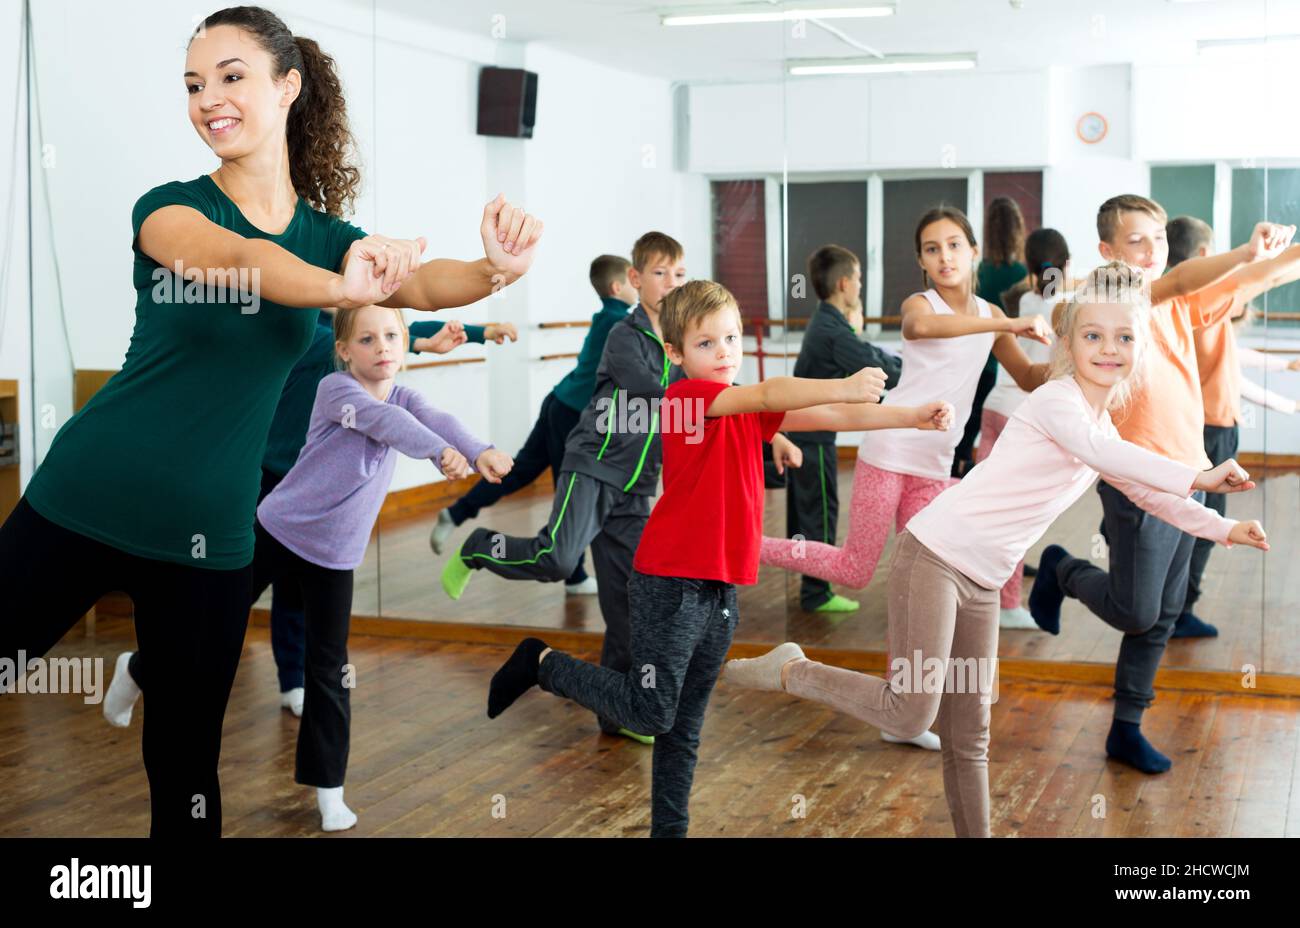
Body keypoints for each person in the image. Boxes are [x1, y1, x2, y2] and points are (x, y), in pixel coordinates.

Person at [0, 6, 541, 837]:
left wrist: (494, 270)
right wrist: (343, 288)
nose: (207, 98)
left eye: (231, 76)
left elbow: (426, 286)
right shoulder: (171, 209)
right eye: (193, 83)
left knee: (185, 763)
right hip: (87, 498)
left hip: (210, 535)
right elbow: (237, 261)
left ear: (287, 87)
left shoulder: (331, 237)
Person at [724, 263, 1267, 837]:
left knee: (970, 734)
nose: (1109, 349)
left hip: (983, 580)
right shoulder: (1058, 402)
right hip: (933, 556)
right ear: (1067, 343)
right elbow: (1116, 461)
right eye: (1092, 336)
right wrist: (1201, 476)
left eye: (1124, 337)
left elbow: (1147, 488)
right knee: (910, 708)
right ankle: (794, 670)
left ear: (1141, 348)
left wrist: (1223, 530)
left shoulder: (1103, 429)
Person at [481, 279, 952, 836]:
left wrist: (911, 416)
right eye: (707, 343)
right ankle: (543, 664)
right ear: (676, 355)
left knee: (683, 727)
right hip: (669, 583)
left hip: (722, 590)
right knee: (651, 710)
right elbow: (769, 393)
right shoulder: (688, 399)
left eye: (729, 337)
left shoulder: (741, 407)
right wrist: (847, 382)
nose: (725, 350)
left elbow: (830, 417)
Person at [430, 254, 640, 597]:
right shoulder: (618, 321)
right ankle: (573, 577)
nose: (638, 286)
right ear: (618, 287)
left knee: (521, 471)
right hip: (571, 414)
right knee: (568, 493)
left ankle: (455, 513)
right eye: (633, 281)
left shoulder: (608, 317)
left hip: (561, 403)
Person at [784, 244, 901, 615]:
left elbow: (865, 352)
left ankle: (809, 585)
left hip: (809, 434)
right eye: (860, 281)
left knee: (808, 513)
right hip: (812, 438)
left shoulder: (828, 323)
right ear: (846, 284)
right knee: (819, 513)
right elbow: (877, 366)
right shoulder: (831, 329)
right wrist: (909, 363)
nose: (861, 288)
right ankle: (816, 593)